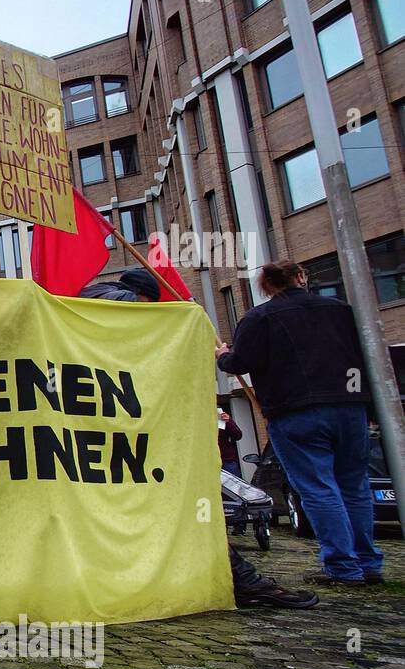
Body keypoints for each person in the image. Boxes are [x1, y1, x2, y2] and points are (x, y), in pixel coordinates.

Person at [81, 270, 317, 609]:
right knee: (185, 506)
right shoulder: (114, 298)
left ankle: (239, 579)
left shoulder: (93, 300)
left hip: (120, 429)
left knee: (182, 508)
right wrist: (181, 316)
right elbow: (121, 311)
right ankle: (243, 581)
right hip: (121, 431)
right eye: (151, 304)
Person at [216, 260, 383, 587]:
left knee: (319, 488)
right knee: (355, 486)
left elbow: (241, 362)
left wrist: (223, 356)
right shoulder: (342, 311)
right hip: (349, 406)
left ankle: (343, 566)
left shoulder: (258, 318)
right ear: (301, 277)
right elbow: (369, 353)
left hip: (295, 412)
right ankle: (369, 563)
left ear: (265, 287)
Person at [79, 267, 160, 302]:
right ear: (139, 291)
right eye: (150, 300)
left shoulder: (99, 289)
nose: (150, 305)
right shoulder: (127, 296)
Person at [218, 408, 243, 478]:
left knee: (235, 486)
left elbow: (238, 435)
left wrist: (228, 422)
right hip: (208, 461)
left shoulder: (220, 415)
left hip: (227, 460)